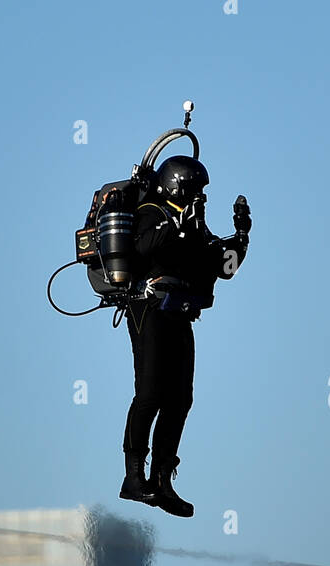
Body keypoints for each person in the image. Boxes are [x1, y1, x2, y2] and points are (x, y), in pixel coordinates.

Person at [118, 156, 250, 517]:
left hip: (180, 313)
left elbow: (223, 268)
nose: (201, 198)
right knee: (149, 394)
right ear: (179, 186)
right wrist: (179, 225)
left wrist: (241, 237)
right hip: (148, 308)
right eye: (197, 190)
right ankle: (133, 476)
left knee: (180, 399)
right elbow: (143, 247)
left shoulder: (194, 225)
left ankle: (163, 479)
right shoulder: (152, 212)